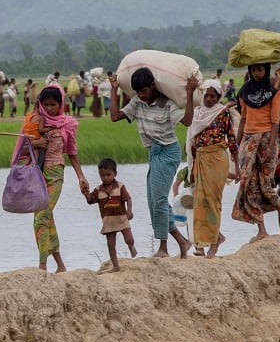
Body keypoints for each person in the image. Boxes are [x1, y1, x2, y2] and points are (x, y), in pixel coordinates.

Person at [108, 69, 196, 256]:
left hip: (168, 152)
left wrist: (189, 93)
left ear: (153, 86)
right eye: (138, 91)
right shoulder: (137, 103)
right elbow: (114, 117)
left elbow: (187, 121)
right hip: (153, 153)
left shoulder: (167, 104)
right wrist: (114, 90)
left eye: (144, 91)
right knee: (153, 202)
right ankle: (182, 242)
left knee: (160, 201)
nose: (141, 95)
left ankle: (163, 248)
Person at [22, 85, 89, 272]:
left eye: (53, 104)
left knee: (41, 217)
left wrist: (81, 176)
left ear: (60, 104)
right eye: (46, 104)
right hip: (37, 176)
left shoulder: (68, 124)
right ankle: (59, 264)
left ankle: (42, 265)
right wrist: (36, 142)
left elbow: (72, 152)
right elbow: (22, 148)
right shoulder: (35, 121)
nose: (49, 108)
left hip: (55, 174)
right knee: (46, 217)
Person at [230, 64, 280, 242]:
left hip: (266, 140)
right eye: (253, 70)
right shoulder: (245, 93)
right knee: (248, 182)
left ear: (266, 71)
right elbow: (243, 120)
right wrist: (236, 144)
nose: (256, 73)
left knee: (265, 184)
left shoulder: (274, 94)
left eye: (260, 70)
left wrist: (271, 146)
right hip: (248, 139)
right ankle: (261, 228)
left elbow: (275, 122)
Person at [187, 79, 236, 256]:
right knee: (200, 201)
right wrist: (191, 167)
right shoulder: (197, 113)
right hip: (200, 158)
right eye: (206, 95)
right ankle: (200, 244)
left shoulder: (222, 113)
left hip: (217, 158)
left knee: (213, 201)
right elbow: (192, 143)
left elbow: (231, 139)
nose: (208, 99)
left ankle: (214, 243)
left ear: (218, 97)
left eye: (212, 96)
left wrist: (237, 166)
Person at [85, 157, 135, 272]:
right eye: (102, 175)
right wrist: (86, 193)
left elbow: (128, 199)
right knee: (111, 244)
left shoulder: (120, 186)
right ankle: (115, 265)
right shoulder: (98, 190)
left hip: (121, 217)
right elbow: (90, 200)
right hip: (108, 221)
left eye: (108, 175)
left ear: (115, 174)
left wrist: (129, 211)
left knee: (129, 239)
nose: (105, 178)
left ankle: (131, 247)